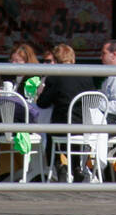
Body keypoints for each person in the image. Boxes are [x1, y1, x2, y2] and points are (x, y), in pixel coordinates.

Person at [34, 43, 95, 175]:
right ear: (72, 58)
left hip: (63, 127)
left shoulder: (56, 76)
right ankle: (76, 167)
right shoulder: (86, 76)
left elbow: (42, 103)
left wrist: (42, 92)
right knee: (70, 130)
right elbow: (93, 102)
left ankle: (58, 166)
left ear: (55, 60)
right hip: (85, 126)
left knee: (49, 132)